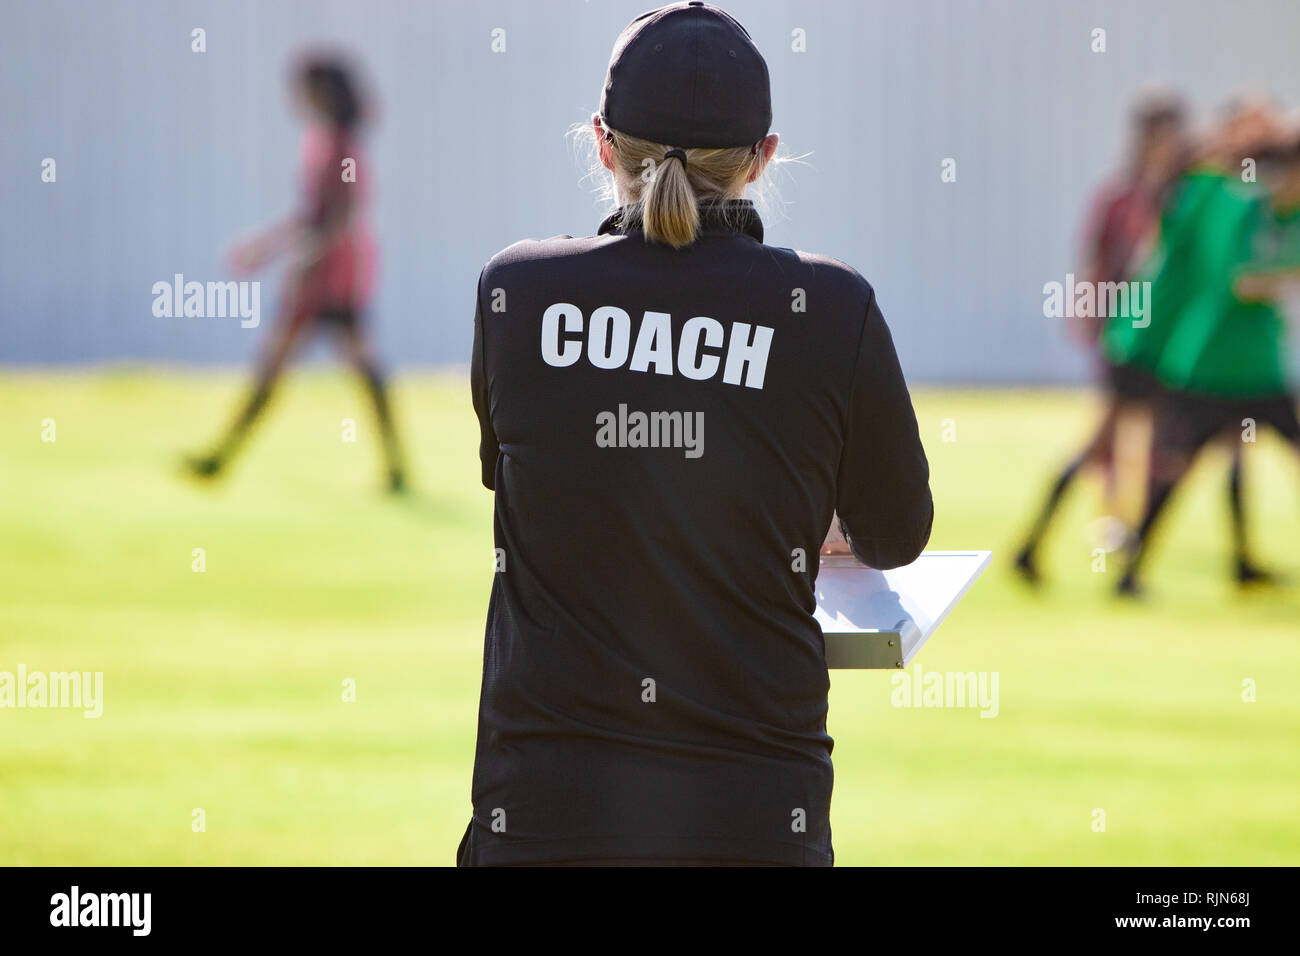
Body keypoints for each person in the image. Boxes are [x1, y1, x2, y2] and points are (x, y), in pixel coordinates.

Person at [459, 1, 932, 867]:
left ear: (603, 142)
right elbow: (898, 535)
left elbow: (538, 475)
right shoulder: (832, 307)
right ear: (763, 159)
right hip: (754, 823)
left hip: (542, 818)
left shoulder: (516, 291)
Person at [185, 53, 407, 492]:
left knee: (325, 367)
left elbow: (341, 215)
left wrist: (306, 256)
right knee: (313, 367)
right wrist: (267, 248)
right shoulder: (323, 140)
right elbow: (311, 215)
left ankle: (221, 457)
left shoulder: (342, 145)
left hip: (332, 279)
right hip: (322, 274)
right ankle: (221, 457)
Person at [1116, 117, 1300, 596]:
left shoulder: (1294, 218)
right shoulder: (1240, 207)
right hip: (1207, 365)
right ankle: (1129, 571)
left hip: (1259, 369)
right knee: (1175, 470)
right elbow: (1236, 279)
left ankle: (1242, 565)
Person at [1014, 94, 1188, 584]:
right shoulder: (1123, 197)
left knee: (1147, 445)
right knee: (1109, 443)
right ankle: (1054, 543)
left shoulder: (1179, 193)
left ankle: (1112, 538)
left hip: (1164, 337)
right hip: (1131, 334)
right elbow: (1098, 262)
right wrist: (1093, 317)